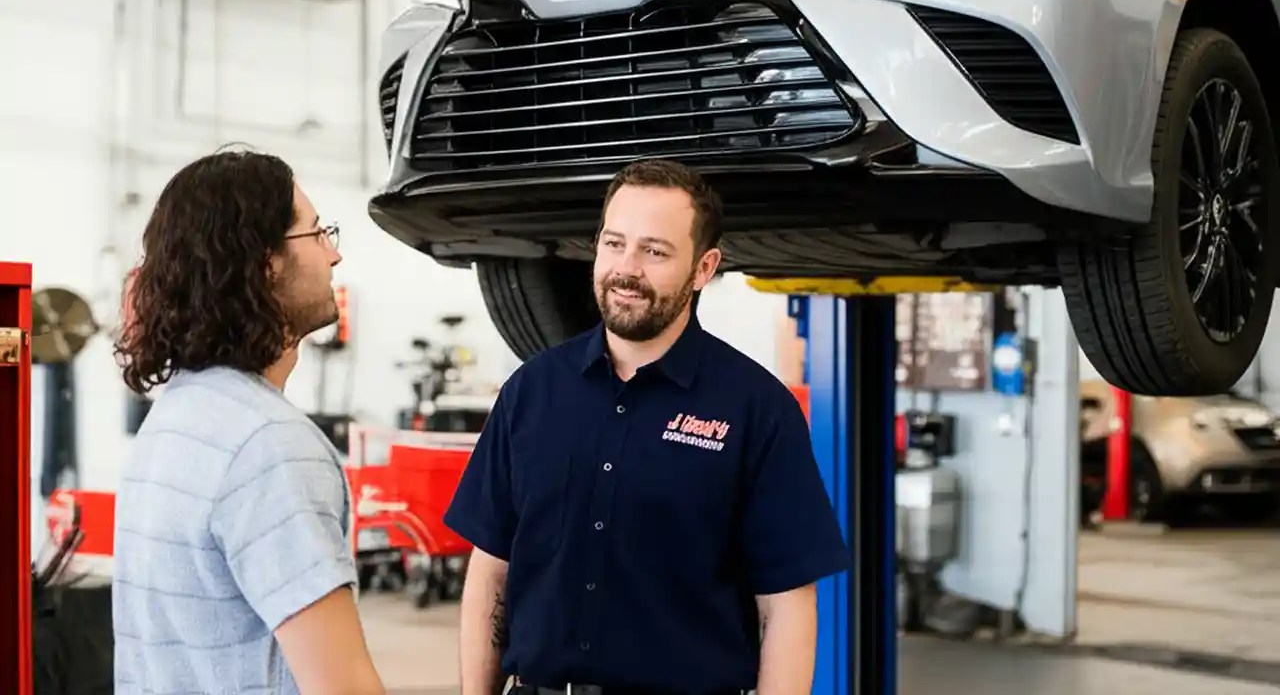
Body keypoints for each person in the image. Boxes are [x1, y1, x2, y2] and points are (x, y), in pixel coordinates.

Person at [444, 158, 851, 694]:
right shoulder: (532, 391)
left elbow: (787, 604)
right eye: (614, 244)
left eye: (654, 251)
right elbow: (491, 571)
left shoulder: (756, 409)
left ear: (704, 268)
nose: (626, 269)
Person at [111, 149, 385, 695]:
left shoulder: (176, 416)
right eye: (316, 233)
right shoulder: (269, 445)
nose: (333, 255)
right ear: (266, 263)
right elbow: (342, 686)